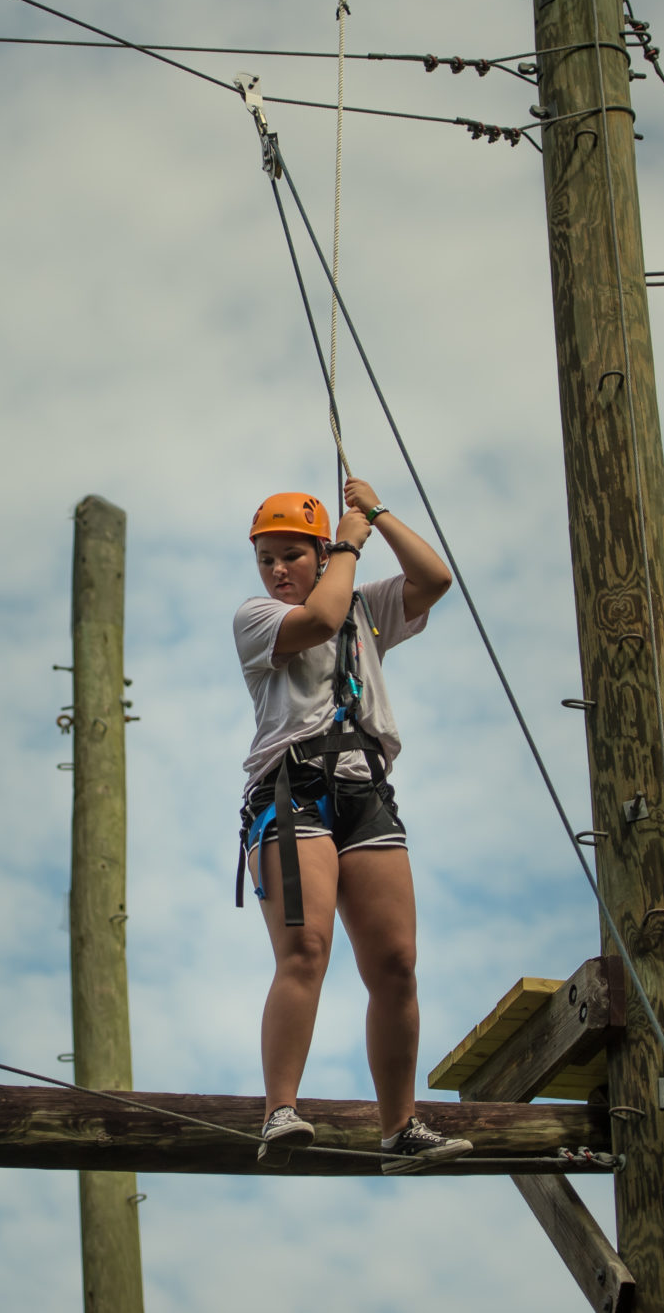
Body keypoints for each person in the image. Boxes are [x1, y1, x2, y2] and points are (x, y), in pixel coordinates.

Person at [233, 478, 470, 1174]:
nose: (278, 571)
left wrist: (378, 514)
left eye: (291, 556)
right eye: (267, 559)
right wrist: (346, 543)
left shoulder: (367, 607)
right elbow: (321, 616)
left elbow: (435, 578)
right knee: (306, 948)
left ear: (316, 554)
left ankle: (400, 1127)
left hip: (364, 789)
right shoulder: (259, 618)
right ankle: (280, 1108)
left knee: (396, 963)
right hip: (294, 789)